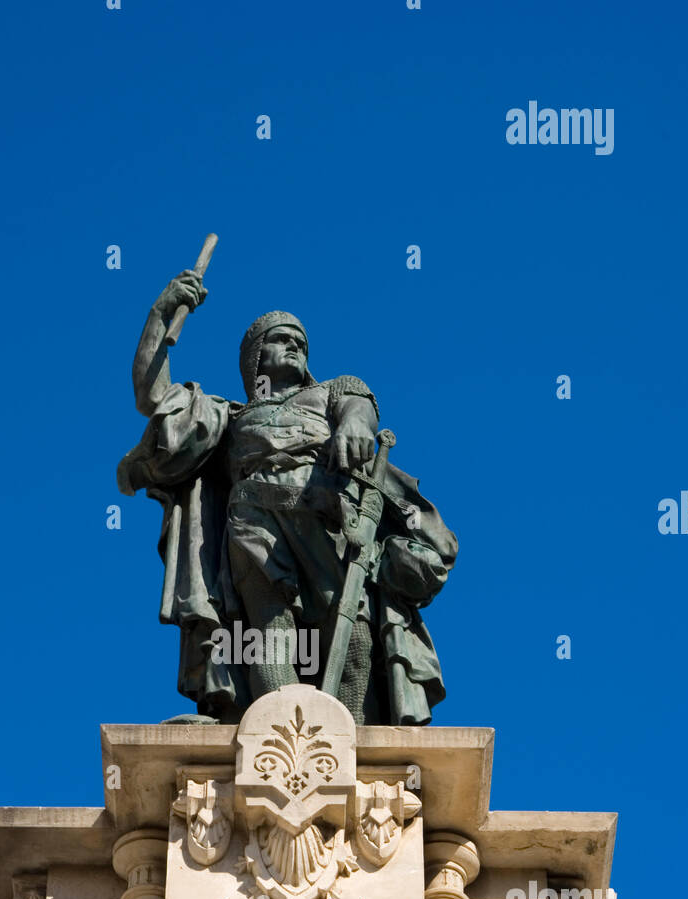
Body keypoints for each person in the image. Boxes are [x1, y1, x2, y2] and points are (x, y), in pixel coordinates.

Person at [118, 268, 458, 724]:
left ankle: (347, 741)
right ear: (256, 357)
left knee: (353, 634)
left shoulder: (329, 393)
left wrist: (356, 426)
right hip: (252, 524)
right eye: (282, 339)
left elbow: (359, 403)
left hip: (328, 519)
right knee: (268, 637)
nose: (296, 345)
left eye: (300, 340)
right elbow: (155, 397)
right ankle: (277, 740)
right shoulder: (226, 418)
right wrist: (161, 313)